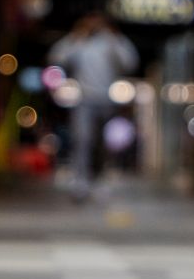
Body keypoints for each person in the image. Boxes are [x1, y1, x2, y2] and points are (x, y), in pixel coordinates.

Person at [48, 11, 138, 201]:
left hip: (107, 100)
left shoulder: (111, 42)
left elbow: (130, 62)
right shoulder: (80, 43)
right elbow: (57, 57)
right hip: (84, 100)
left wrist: (114, 37)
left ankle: (100, 181)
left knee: (104, 144)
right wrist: (76, 35)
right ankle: (81, 184)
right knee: (83, 140)